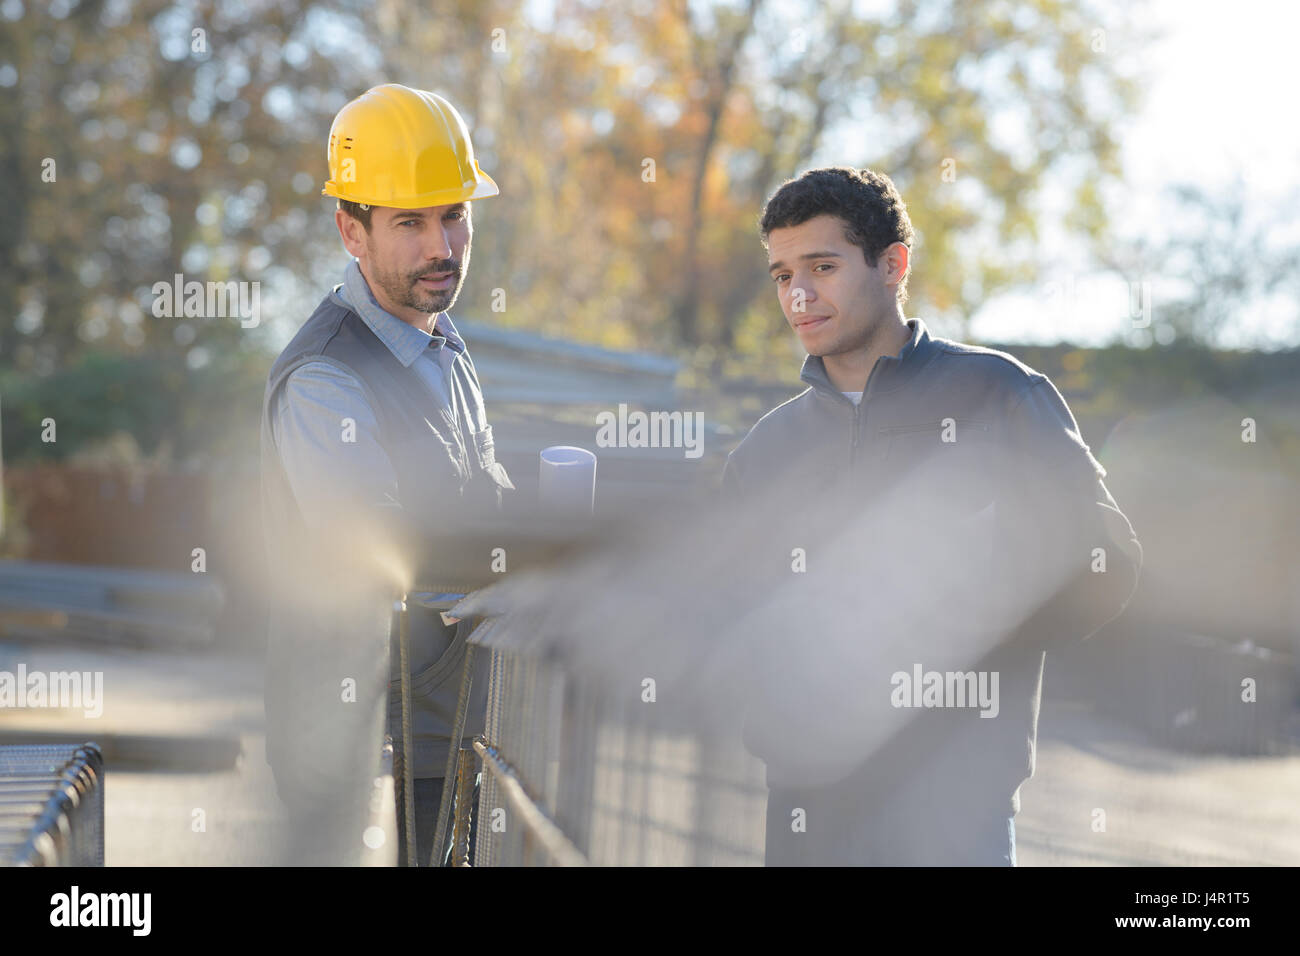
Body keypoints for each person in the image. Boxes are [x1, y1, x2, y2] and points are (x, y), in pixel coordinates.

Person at [721, 167, 1143, 865]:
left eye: (822, 266)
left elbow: (1107, 560)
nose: (798, 294)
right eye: (781, 274)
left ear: (893, 265)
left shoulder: (998, 394)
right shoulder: (767, 450)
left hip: (956, 813)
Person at [259, 84, 512, 865]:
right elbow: (374, 543)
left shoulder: (443, 344)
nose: (442, 247)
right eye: (410, 222)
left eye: (454, 216)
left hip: (446, 728)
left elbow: (476, 489)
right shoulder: (323, 377)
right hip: (366, 748)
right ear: (352, 231)